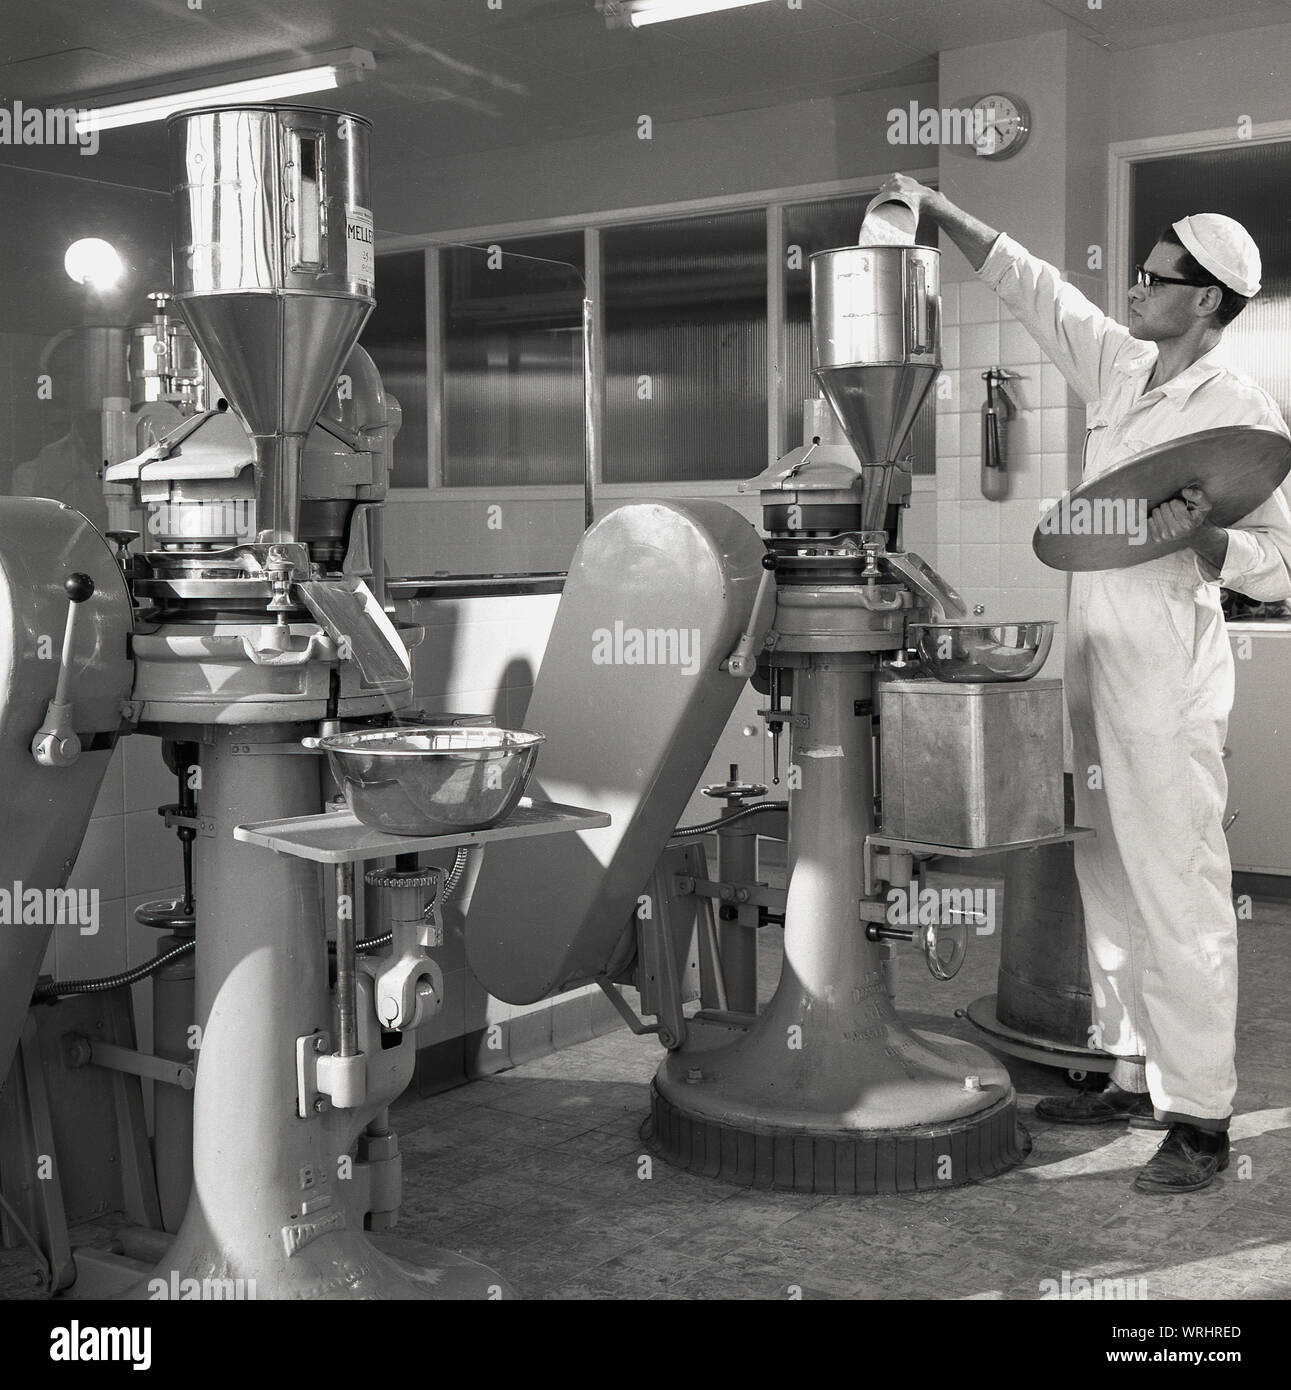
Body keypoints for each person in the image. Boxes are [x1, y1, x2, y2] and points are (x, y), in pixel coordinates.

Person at [878, 174, 1291, 1194]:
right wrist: (941, 209)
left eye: (1156, 278)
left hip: (1165, 685)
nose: (1136, 287)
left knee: (1178, 894)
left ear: (1205, 300)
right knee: (1105, 881)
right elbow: (1036, 288)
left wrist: (1209, 540)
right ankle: (1129, 1068)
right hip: (1093, 671)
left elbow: (1281, 562)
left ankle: (1198, 1118)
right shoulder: (1119, 368)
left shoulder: (1235, 409)